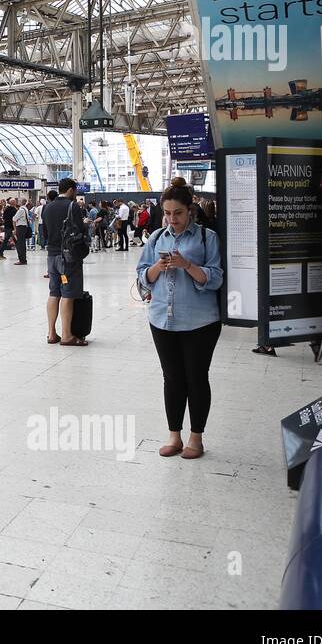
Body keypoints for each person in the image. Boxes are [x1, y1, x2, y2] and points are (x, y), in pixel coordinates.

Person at [137, 178, 223, 460]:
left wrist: (187, 265)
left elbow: (215, 278)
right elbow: (142, 278)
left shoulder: (206, 238)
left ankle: (195, 437)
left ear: (190, 211)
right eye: (168, 214)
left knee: (196, 378)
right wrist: (157, 269)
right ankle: (174, 434)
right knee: (172, 378)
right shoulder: (156, 238)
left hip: (200, 321)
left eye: (178, 213)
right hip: (162, 319)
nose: (172, 219)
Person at [44, 178, 87, 345]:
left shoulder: (47, 207)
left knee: (54, 293)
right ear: (70, 190)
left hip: (51, 256)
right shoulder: (72, 206)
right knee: (68, 295)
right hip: (68, 258)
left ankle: (51, 333)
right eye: (75, 191)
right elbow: (79, 231)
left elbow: (45, 233)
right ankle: (67, 335)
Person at [13, 198, 31, 265]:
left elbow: (14, 218)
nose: (18, 202)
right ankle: (23, 259)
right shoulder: (25, 209)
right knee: (23, 244)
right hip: (24, 227)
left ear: (21, 202)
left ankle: (22, 260)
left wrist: (15, 228)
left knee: (20, 244)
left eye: (19, 201)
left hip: (20, 227)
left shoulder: (21, 210)